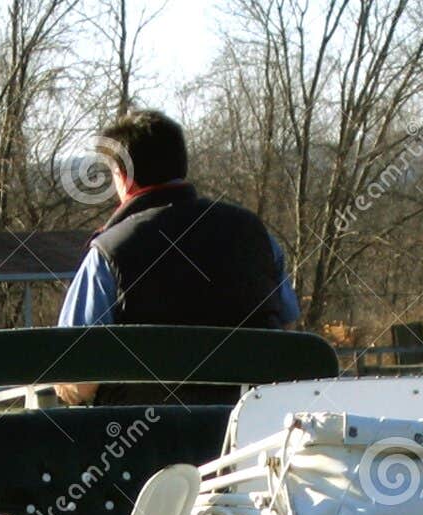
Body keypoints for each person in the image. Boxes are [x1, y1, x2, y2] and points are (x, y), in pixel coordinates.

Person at [55, 109, 300, 405]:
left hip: (147, 443)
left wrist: (62, 388)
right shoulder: (256, 235)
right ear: (181, 164)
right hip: (252, 437)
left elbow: (78, 377)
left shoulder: (109, 254)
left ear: (123, 177)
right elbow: (287, 336)